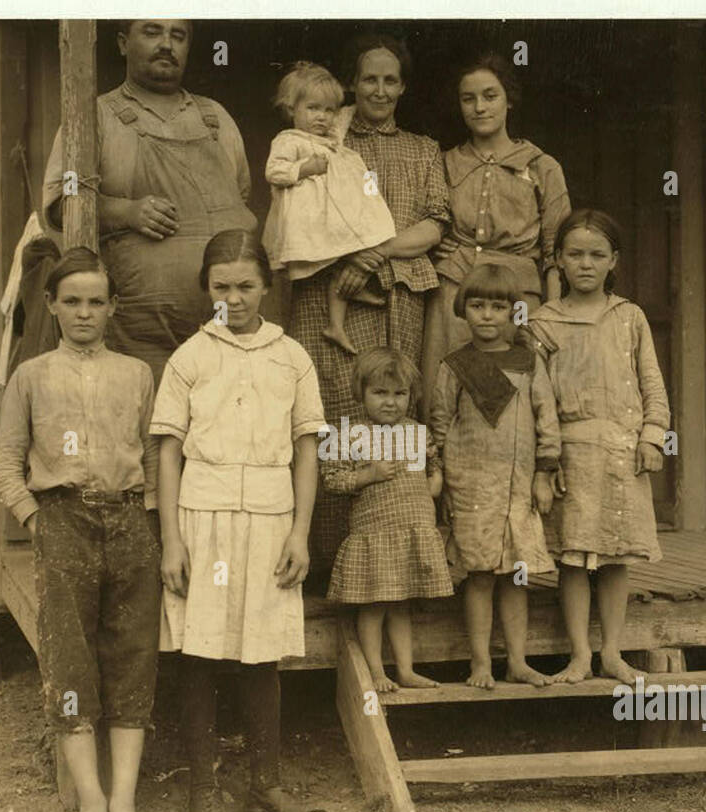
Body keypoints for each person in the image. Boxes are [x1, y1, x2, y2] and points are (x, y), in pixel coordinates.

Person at [152, 229, 330, 812]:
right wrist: (172, 539)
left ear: (266, 286)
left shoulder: (292, 356)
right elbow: (169, 452)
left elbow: (307, 450)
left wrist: (300, 533)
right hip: (202, 518)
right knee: (198, 653)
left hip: (272, 519)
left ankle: (266, 787)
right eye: (221, 286)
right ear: (207, 288)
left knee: (261, 656)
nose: (234, 298)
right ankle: (204, 790)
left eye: (246, 285)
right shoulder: (191, 357)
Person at [0, 247, 162, 812]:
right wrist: (37, 521)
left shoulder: (137, 375)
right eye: (72, 302)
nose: (84, 313)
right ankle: (90, 801)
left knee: (133, 656)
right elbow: (7, 464)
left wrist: (148, 517)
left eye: (96, 302)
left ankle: (124, 803)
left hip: (129, 522)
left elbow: (154, 456)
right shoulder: (30, 376)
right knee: (69, 660)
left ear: (113, 307)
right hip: (62, 521)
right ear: (51, 306)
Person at [288, 34, 450, 575]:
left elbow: (434, 224)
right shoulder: (323, 138)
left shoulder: (423, 149)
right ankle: (333, 559)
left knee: (392, 408)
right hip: (329, 290)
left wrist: (373, 255)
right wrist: (348, 262)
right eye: (368, 79)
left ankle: (398, 562)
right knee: (334, 410)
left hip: (396, 293)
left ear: (402, 86)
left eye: (389, 79)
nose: (379, 89)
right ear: (352, 84)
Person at [42, 19, 256, 389]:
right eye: (152, 32)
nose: (166, 45)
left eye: (178, 36)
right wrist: (126, 211)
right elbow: (62, 203)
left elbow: (239, 197)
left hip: (224, 331)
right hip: (139, 336)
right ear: (124, 43)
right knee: (148, 440)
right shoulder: (94, 116)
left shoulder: (216, 119)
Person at [524, 209, 670, 685]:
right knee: (573, 555)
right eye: (575, 254)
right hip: (571, 452)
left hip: (622, 451)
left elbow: (652, 381)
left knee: (614, 555)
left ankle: (612, 652)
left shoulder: (629, 317)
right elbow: (537, 399)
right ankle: (580, 656)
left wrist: (653, 435)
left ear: (614, 261)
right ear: (559, 262)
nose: (585, 264)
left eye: (597, 255)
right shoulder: (544, 323)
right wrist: (547, 461)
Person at [430, 264, 560, 689]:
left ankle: (518, 661)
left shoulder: (528, 362)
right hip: (472, 488)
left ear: (512, 313)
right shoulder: (455, 366)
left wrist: (544, 474)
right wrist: (443, 480)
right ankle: (481, 663)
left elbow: (547, 418)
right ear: (463, 309)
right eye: (478, 305)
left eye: (498, 307)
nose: (487, 315)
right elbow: (440, 426)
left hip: (519, 487)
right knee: (480, 575)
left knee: (516, 576)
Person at [420, 54, 571, 421]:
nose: (479, 107)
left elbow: (554, 252)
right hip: (456, 293)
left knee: (512, 404)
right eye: (468, 99)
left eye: (490, 96)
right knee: (448, 398)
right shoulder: (444, 162)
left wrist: (550, 317)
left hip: (518, 299)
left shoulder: (541, 166)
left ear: (509, 99)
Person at [322, 348, 453, 692]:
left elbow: (434, 465)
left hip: (412, 527)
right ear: (361, 393)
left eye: (400, 394)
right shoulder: (350, 433)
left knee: (401, 604)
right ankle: (376, 672)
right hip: (376, 533)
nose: (391, 402)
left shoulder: (418, 432)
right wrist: (368, 475)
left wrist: (435, 480)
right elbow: (332, 479)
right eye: (380, 393)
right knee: (375, 603)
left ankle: (406, 670)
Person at [262, 62, 396, 356]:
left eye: (328, 110)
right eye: (312, 108)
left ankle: (336, 324)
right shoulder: (290, 140)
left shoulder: (331, 139)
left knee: (343, 261)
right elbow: (274, 171)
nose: (322, 117)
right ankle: (340, 313)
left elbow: (346, 114)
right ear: (291, 109)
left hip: (333, 219)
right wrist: (304, 168)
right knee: (336, 262)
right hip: (311, 221)